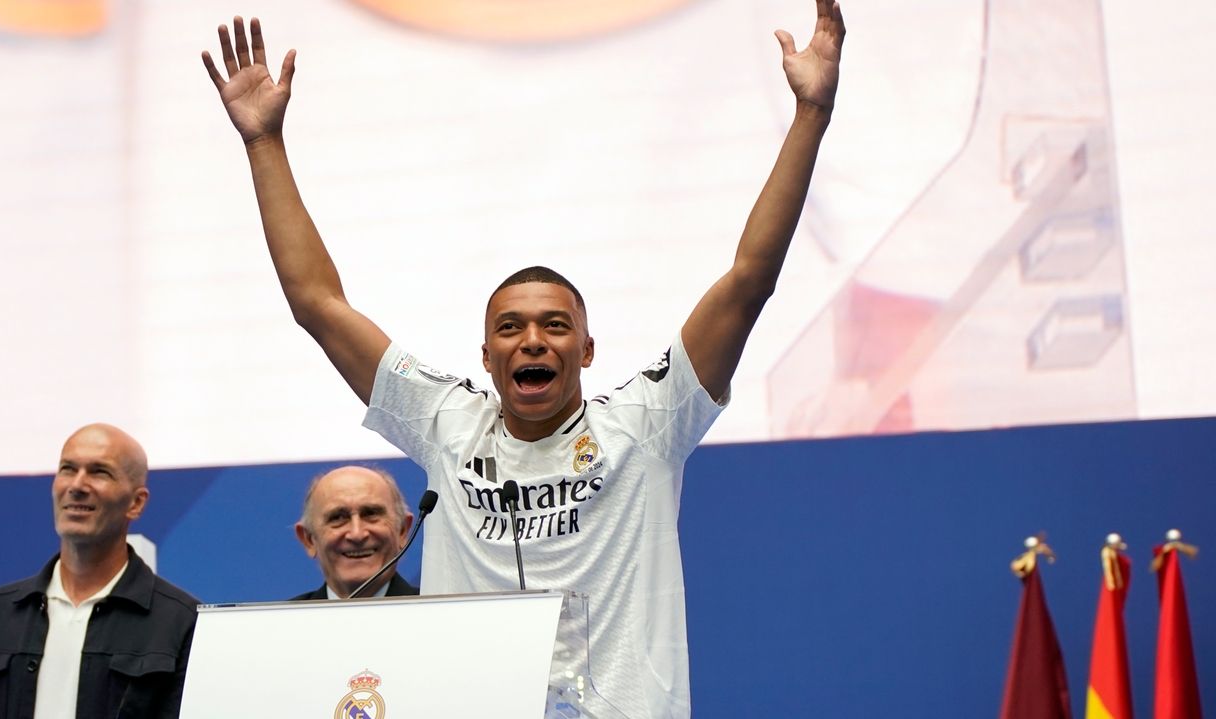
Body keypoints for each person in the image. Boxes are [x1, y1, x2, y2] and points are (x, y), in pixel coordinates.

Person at [201, 1, 843, 714]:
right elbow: (318, 304)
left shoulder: (648, 423)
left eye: (554, 326)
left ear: (587, 348)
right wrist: (263, 142)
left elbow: (749, 279)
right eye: (510, 327)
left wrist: (810, 115)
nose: (532, 340)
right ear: (486, 352)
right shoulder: (445, 421)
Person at [0, 424, 198, 719]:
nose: (77, 485)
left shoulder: (180, 622)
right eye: (68, 469)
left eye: (99, 472)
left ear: (136, 502)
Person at [289, 465, 418, 600]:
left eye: (371, 514)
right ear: (309, 539)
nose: (357, 534)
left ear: (402, 530)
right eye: (337, 517)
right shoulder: (281, 620)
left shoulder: (437, 615)